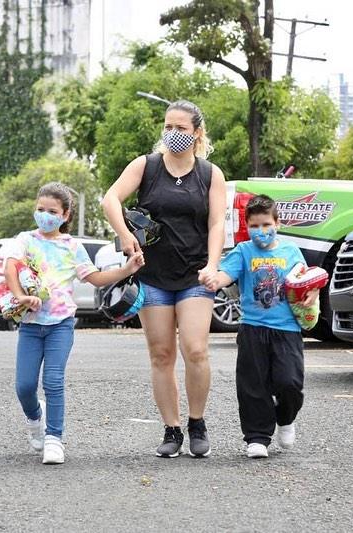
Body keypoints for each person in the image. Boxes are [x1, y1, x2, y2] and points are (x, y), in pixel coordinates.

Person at [101, 100, 227, 458]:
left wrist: (213, 265)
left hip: (194, 274)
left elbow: (217, 223)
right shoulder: (147, 166)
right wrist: (125, 235)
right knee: (161, 354)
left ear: (197, 133)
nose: (173, 134)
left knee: (196, 349)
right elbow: (110, 198)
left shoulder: (209, 174)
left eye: (181, 129)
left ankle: (197, 422)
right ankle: (172, 430)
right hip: (152, 275)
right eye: (168, 127)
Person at [4, 182, 144, 464]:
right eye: (40, 209)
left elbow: (94, 277)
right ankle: (36, 421)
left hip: (60, 325)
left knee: (53, 381)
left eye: (52, 211)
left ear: (65, 215)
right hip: (31, 326)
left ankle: (54, 439)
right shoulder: (26, 240)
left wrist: (126, 270)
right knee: (25, 386)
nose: (45, 215)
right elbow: (10, 266)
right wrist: (20, 296)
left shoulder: (72, 247)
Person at [201, 194, 318, 458]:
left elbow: (306, 283)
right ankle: (257, 437)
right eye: (254, 226)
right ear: (247, 226)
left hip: (287, 329)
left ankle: (285, 419)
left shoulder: (291, 251)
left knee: (289, 382)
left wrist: (313, 294)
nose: (261, 231)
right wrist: (213, 280)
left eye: (266, 224)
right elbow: (225, 275)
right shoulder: (243, 251)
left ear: (277, 223)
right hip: (252, 327)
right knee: (253, 384)